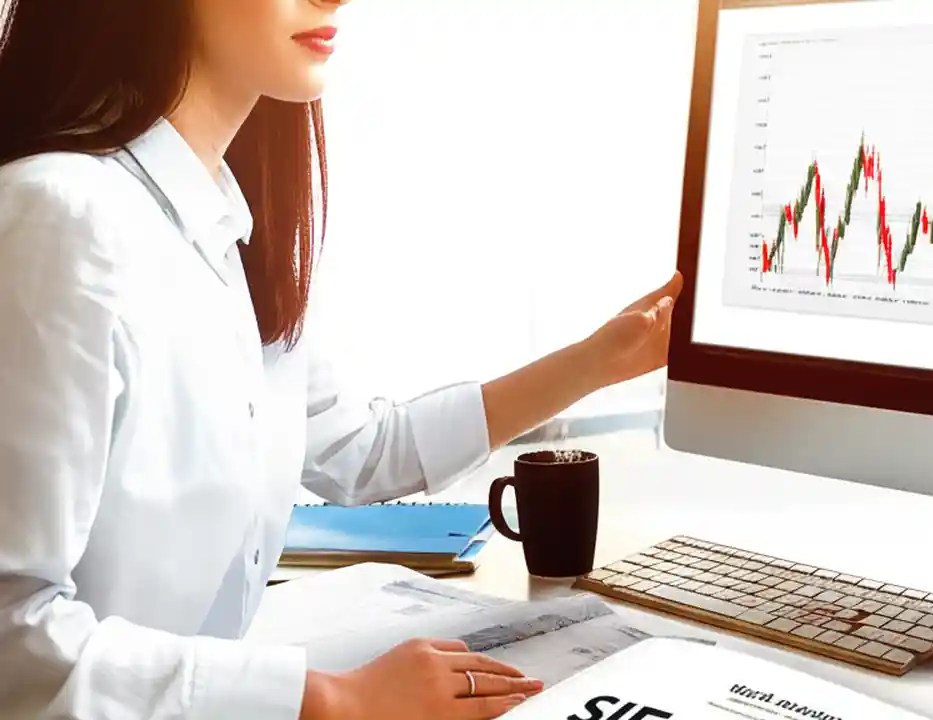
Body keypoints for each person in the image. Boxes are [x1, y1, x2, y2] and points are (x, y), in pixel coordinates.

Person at [0, 0, 683, 718]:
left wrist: (600, 360)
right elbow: (13, 639)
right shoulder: (60, 219)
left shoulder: (219, 226)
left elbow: (363, 449)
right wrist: (330, 699)